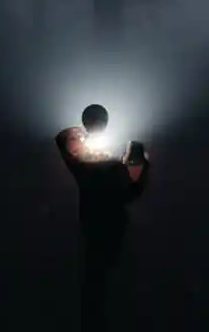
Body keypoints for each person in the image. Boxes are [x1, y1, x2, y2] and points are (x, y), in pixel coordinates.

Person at [55, 104, 150, 332]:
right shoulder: (92, 167)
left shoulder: (98, 167)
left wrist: (141, 166)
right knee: (101, 281)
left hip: (105, 227)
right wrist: (142, 166)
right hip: (104, 228)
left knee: (102, 281)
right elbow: (131, 193)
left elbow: (130, 193)